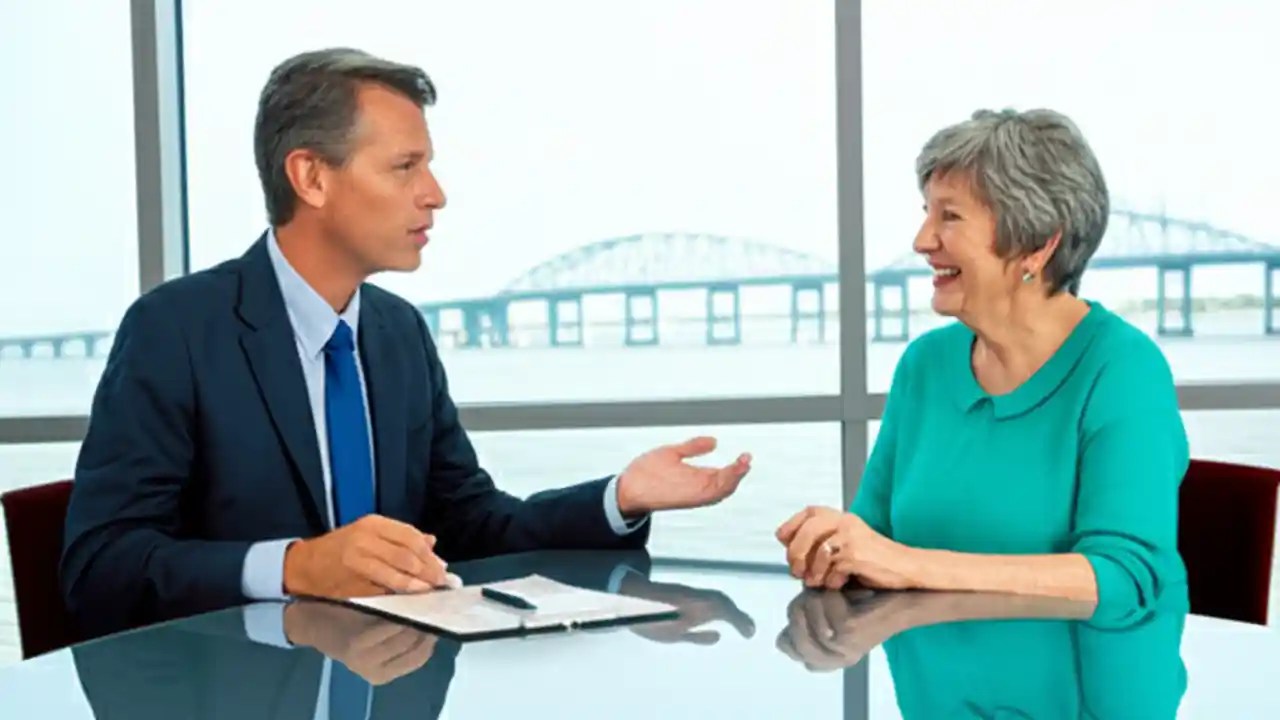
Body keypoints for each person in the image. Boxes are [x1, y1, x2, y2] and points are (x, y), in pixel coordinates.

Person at [61, 47, 752, 639]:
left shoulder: (398, 335)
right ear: (311, 177)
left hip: (394, 687)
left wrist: (619, 498)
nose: (436, 194)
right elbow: (101, 566)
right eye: (404, 167)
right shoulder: (176, 331)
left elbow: (473, 528)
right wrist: (296, 565)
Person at [777, 108, 1189, 618]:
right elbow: (874, 542)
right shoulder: (924, 366)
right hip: (933, 686)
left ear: (1037, 244)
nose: (922, 240)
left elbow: (1125, 577)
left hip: (1073, 690)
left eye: (949, 216)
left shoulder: (1122, 370)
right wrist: (834, 552)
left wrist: (909, 564)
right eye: (926, 212)